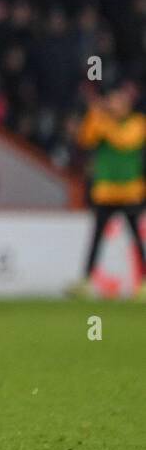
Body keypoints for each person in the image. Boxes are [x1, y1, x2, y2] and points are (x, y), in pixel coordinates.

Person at [71, 84, 146, 299]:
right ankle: (85, 281)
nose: (113, 105)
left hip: (130, 191)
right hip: (106, 192)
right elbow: (85, 139)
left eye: (118, 101)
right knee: (96, 239)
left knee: (136, 240)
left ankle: (143, 283)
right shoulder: (101, 121)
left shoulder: (137, 124)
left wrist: (103, 118)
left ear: (127, 105)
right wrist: (94, 113)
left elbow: (124, 140)